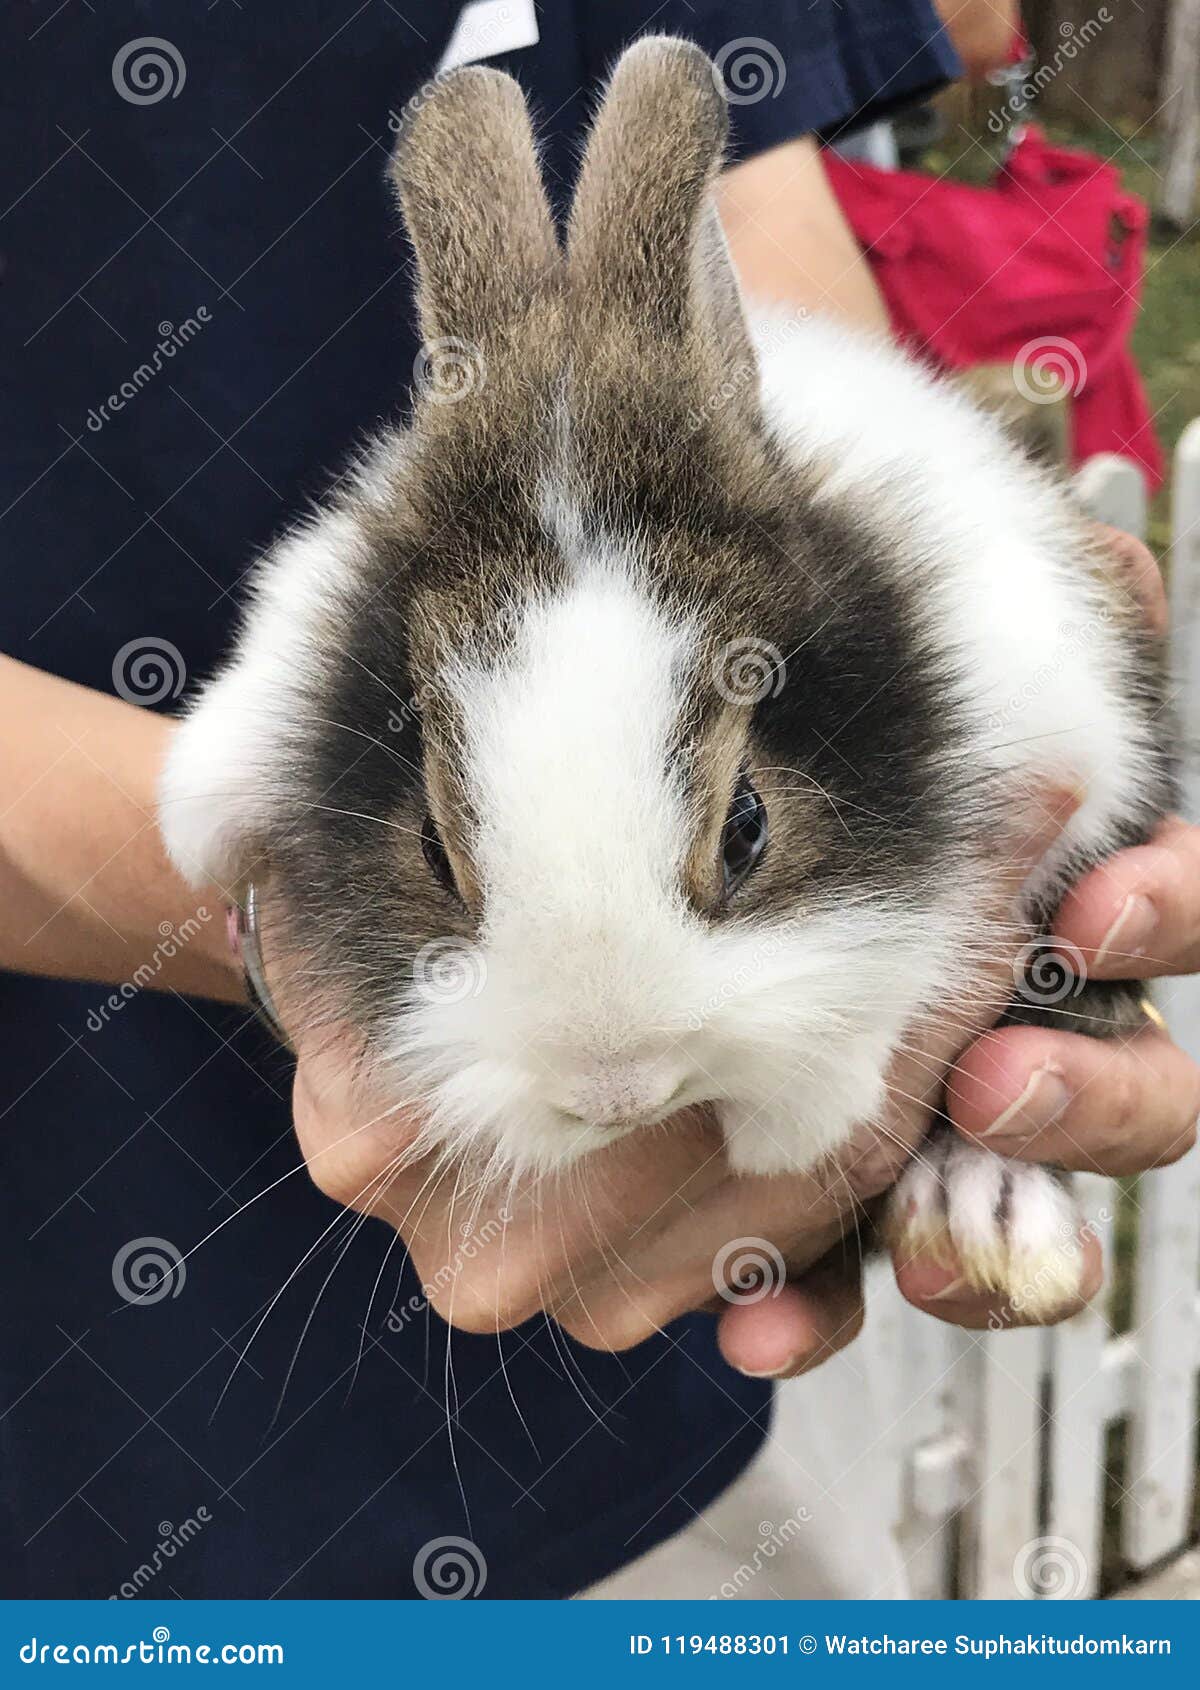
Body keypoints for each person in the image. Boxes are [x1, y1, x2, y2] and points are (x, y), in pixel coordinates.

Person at [1, 2, 1195, 1601]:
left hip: (693, 1393)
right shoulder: (384, 589)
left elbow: (756, 201)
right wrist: (283, 916)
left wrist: (923, 1048)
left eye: (739, 835)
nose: (619, 1077)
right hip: (94, 1372)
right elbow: (292, 672)